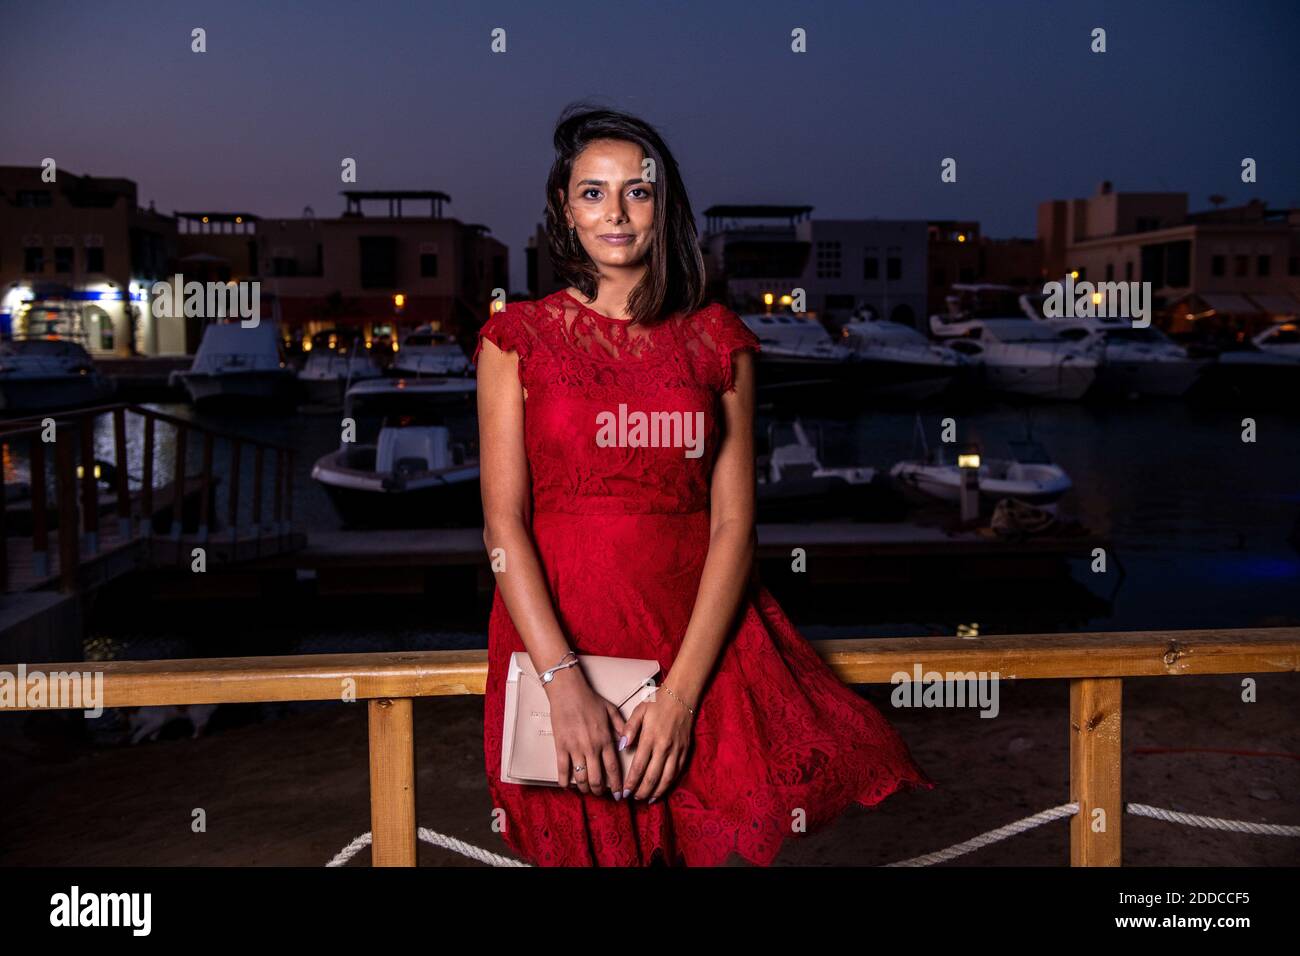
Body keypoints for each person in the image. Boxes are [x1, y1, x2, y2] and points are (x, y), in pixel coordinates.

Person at [474, 104, 934, 867]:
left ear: (666, 206)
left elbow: (734, 529)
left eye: (638, 191)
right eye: (593, 191)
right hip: (561, 635)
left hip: (699, 641)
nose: (615, 212)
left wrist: (681, 699)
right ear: (564, 208)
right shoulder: (514, 340)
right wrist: (564, 684)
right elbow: (503, 526)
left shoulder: (718, 340)